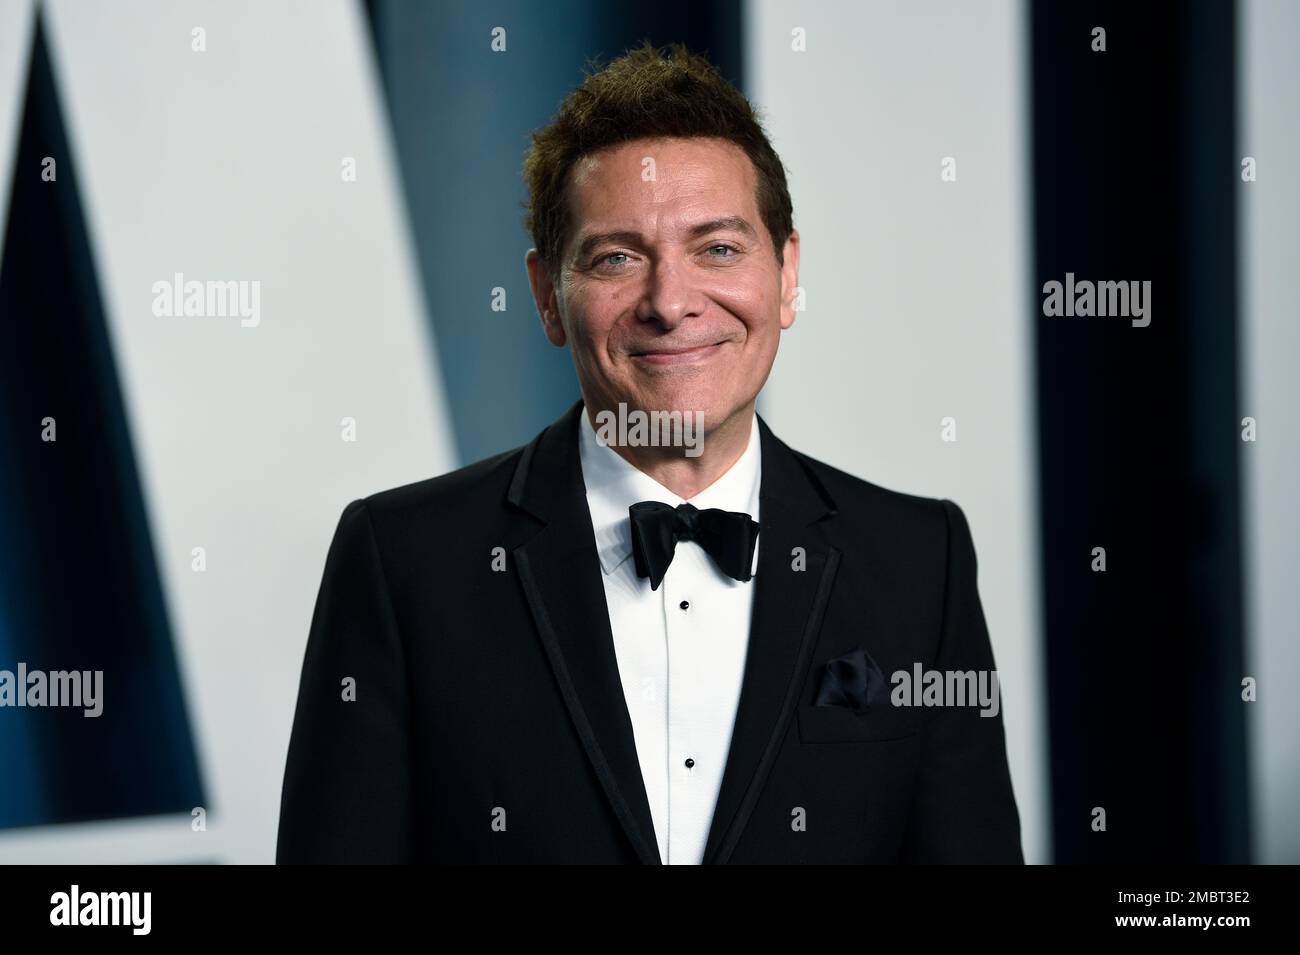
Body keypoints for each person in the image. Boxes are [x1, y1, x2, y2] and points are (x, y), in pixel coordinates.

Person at [276, 40, 1022, 864]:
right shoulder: (403, 561)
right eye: (618, 258)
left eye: (719, 249)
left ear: (787, 273)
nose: (671, 303)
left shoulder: (921, 562)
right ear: (547, 296)